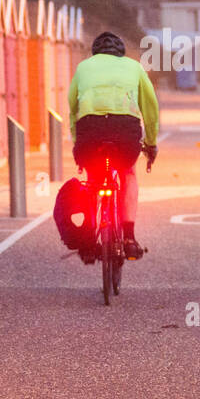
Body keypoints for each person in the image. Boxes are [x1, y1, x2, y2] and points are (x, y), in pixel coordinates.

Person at [68, 31, 160, 260]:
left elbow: (72, 109)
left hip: (90, 129)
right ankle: (128, 237)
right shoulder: (134, 67)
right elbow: (150, 108)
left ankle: (89, 240)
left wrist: (77, 143)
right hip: (124, 128)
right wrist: (151, 143)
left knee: (93, 179)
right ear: (121, 53)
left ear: (95, 53)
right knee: (128, 173)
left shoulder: (83, 68)